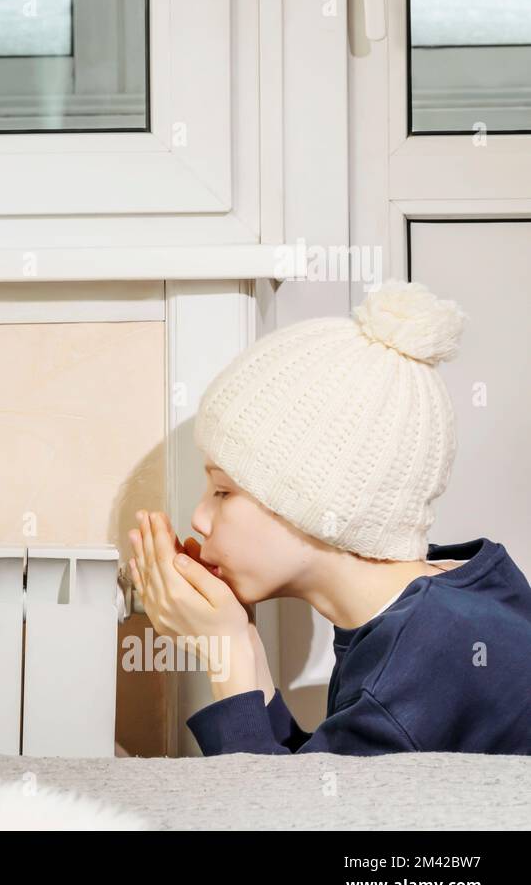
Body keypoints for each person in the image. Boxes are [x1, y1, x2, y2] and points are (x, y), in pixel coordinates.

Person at [127, 279, 531, 755]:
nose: (199, 517)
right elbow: (321, 778)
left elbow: (278, 819)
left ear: (320, 503)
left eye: (222, 490)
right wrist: (245, 643)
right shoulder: (451, 598)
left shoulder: (427, 656)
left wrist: (225, 651)